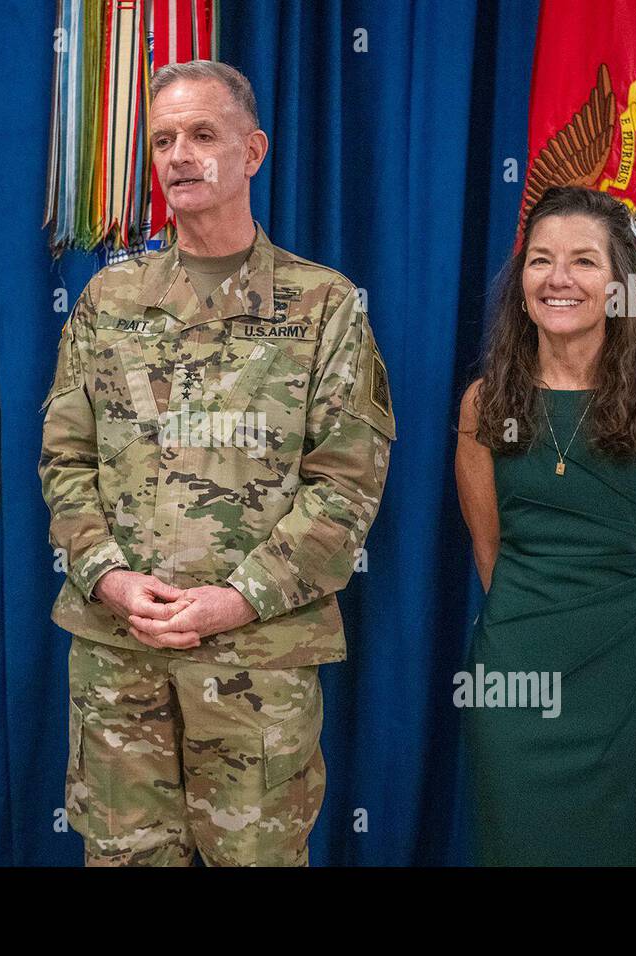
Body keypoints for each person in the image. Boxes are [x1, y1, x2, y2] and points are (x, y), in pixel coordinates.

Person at [39, 61, 396, 866]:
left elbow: (346, 486)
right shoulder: (108, 301)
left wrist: (237, 599)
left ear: (253, 151)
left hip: (256, 665)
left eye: (203, 135)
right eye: (163, 140)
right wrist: (108, 576)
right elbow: (64, 459)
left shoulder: (323, 305)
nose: (179, 155)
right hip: (118, 652)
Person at [454, 185, 636, 865]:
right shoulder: (484, 404)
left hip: (635, 690)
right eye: (540, 261)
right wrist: (534, 629)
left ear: (620, 285)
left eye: (584, 262)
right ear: (520, 286)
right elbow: (490, 548)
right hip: (515, 687)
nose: (559, 279)